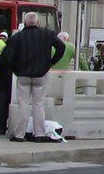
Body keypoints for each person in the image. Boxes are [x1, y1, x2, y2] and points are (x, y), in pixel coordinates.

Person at [5, 11, 65, 143]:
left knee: (23, 105)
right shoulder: (47, 34)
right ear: (38, 22)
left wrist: (15, 69)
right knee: (39, 104)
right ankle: (39, 134)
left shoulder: (18, 37)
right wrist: (51, 62)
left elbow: (9, 56)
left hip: (23, 75)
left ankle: (20, 134)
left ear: (25, 23)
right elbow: (61, 46)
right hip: (41, 74)